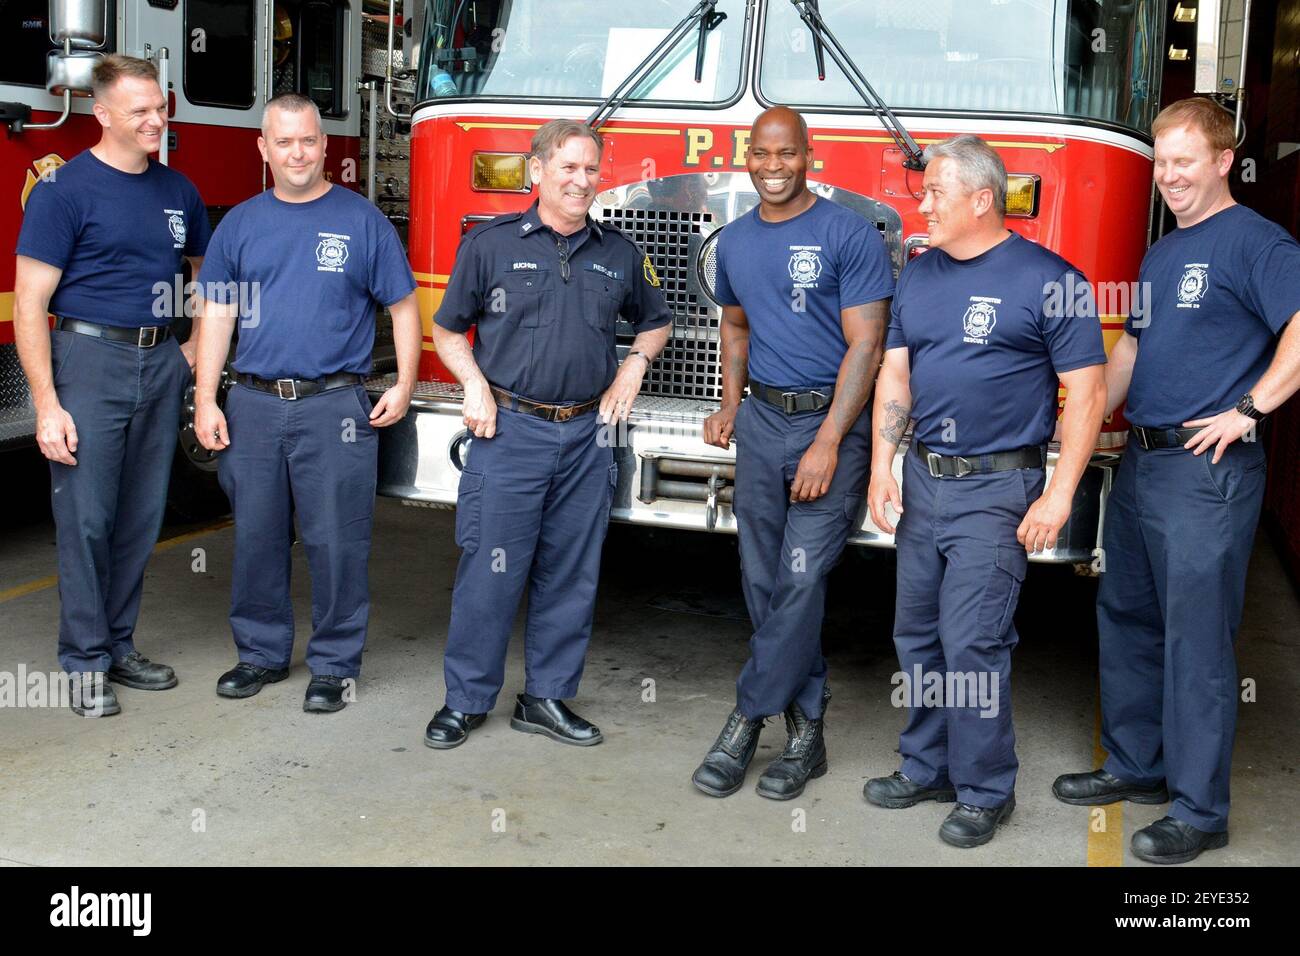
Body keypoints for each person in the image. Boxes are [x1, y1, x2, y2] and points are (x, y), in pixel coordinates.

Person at [1052, 98, 1300, 864]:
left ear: (1224, 161)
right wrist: (1084, 412)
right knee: (1127, 617)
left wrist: (1250, 409)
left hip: (1207, 472)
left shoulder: (1259, 243)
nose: (1168, 177)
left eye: (1184, 162)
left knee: (1197, 644)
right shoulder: (1163, 253)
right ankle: (1138, 767)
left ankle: (1201, 810)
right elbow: (1130, 350)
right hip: (1144, 465)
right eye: (1161, 163)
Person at [866, 135, 1106, 847]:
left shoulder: (1050, 279)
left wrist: (1059, 495)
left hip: (999, 489)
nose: (923, 203)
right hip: (924, 479)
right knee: (916, 633)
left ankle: (985, 789)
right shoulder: (919, 275)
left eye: (935, 191)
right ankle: (926, 765)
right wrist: (883, 464)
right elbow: (897, 377)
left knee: (973, 641)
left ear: (981, 198)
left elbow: (1087, 395)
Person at [424, 119, 671, 749]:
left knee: (571, 573)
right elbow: (449, 330)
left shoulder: (617, 252)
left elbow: (655, 324)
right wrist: (474, 386)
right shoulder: (490, 244)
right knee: (489, 570)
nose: (580, 181)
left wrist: (632, 371)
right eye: (567, 167)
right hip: (509, 431)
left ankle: (547, 698)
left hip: (589, 435)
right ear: (537, 172)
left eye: (590, 169)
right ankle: (467, 699)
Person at [193, 93, 420, 713]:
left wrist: (403, 381)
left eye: (309, 140)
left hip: (334, 406)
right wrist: (206, 399)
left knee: (338, 542)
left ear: (325, 146)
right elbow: (216, 312)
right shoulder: (239, 224)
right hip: (254, 404)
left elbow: (403, 306)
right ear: (263, 149)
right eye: (284, 142)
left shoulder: (362, 221)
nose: (298, 152)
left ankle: (334, 664)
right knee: (258, 538)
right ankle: (260, 655)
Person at [692, 106, 894, 800]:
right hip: (761, 425)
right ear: (746, 156)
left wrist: (830, 442)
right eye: (761, 153)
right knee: (761, 581)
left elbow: (866, 345)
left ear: (810, 156)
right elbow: (737, 327)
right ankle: (808, 732)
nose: (772, 167)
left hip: (826, 428)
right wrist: (728, 403)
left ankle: (746, 719)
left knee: (801, 578)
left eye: (786, 154)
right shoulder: (737, 242)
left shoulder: (847, 234)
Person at [14, 54, 211, 717]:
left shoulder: (178, 191)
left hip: (158, 363)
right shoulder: (64, 191)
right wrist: (46, 404)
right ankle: (85, 660)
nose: (158, 120)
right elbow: (31, 304)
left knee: (139, 518)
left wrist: (190, 350)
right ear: (102, 115)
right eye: (142, 112)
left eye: (161, 107)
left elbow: (206, 278)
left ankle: (120, 647)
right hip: (88, 362)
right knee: (87, 520)